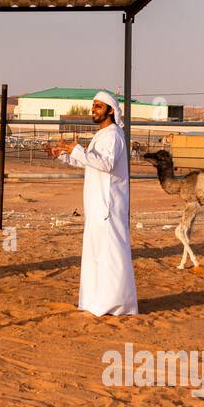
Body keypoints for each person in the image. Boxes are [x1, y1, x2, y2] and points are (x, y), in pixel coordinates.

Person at [55, 91, 139, 315]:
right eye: (93, 105)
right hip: (96, 205)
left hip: (109, 206)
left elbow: (107, 164)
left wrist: (77, 149)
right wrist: (63, 155)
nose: (94, 109)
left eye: (99, 106)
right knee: (96, 253)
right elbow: (91, 163)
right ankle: (95, 301)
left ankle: (117, 304)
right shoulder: (102, 135)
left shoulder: (113, 136)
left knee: (111, 254)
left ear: (111, 110)